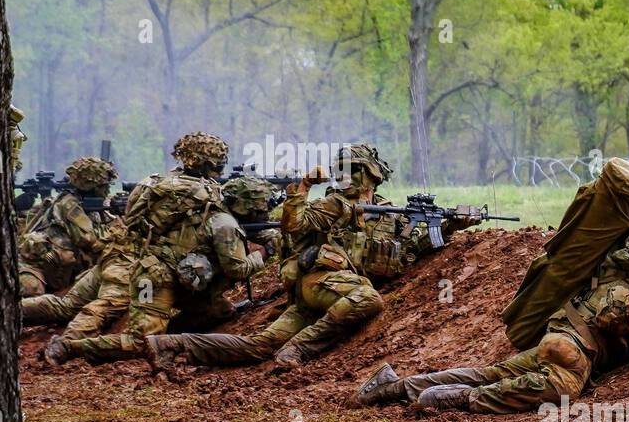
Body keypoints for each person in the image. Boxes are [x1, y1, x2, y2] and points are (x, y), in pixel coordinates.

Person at [355, 167, 629, 413]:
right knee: (562, 390)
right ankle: (458, 399)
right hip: (574, 345)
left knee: (496, 371)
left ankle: (394, 386)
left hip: (568, 334)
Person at [145, 143, 476, 373]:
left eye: (355, 170)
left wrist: (451, 225)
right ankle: (300, 348)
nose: (348, 177)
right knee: (368, 299)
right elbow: (293, 224)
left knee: (259, 346)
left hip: (330, 293)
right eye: (345, 170)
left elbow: (414, 247)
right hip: (320, 283)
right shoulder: (331, 205)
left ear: (372, 175)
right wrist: (302, 187)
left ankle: (174, 345)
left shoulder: (388, 211)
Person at [49, 133, 272, 365]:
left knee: (220, 310)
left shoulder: (156, 185)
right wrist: (265, 251)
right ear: (208, 163)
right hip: (153, 279)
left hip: (179, 277)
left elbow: (134, 221)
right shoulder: (208, 198)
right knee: (139, 341)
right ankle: (69, 347)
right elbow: (235, 265)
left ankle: (168, 338)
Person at [18, 155, 118, 296]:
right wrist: (117, 231)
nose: (107, 190)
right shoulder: (69, 204)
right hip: (37, 266)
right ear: (89, 187)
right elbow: (89, 240)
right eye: (103, 186)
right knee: (32, 289)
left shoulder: (95, 206)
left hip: (61, 270)